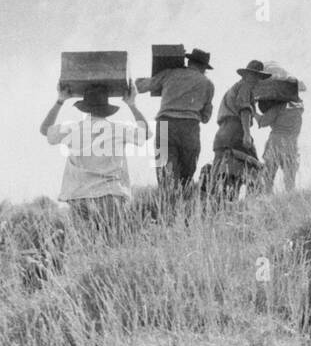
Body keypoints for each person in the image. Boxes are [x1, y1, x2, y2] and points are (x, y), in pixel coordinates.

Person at [40, 82, 148, 234]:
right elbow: (146, 133)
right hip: (111, 196)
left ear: (85, 108)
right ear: (107, 109)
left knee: (84, 248)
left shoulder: (72, 129)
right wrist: (132, 104)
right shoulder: (118, 129)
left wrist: (60, 100)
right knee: (112, 245)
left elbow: (45, 130)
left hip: (79, 197)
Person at [134, 48, 214, 191]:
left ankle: (167, 205)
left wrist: (139, 80)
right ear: (203, 67)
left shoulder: (169, 73)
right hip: (190, 128)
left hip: (165, 125)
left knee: (166, 175)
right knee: (185, 177)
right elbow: (206, 118)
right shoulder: (207, 84)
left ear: (189, 61)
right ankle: (180, 206)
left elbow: (140, 87)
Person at [210, 59, 270, 200]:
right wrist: (247, 134)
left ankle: (222, 205)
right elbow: (244, 110)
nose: (257, 81)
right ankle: (252, 206)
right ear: (249, 76)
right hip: (235, 132)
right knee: (253, 170)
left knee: (225, 173)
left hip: (222, 134)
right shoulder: (246, 87)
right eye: (256, 77)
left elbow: (245, 108)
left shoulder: (234, 88)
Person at [256, 62, 305, 192]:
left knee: (268, 178)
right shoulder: (299, 106)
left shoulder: (278, 107)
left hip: (276, 142)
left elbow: (262, 122)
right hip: (292, 143)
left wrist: (252, 111)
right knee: (290, 180)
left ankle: (268, 201)